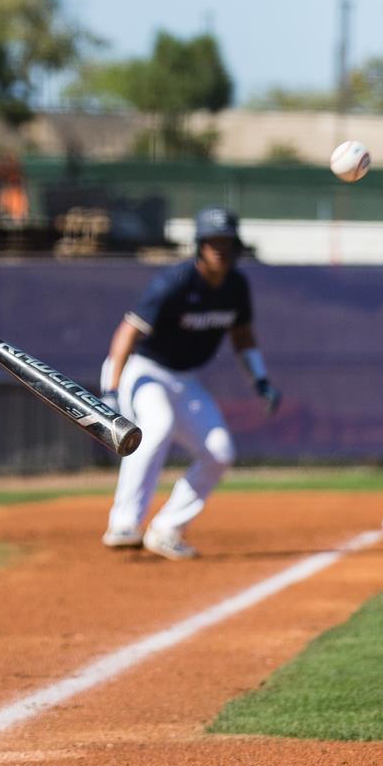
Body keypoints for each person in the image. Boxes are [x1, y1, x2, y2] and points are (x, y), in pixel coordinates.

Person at [99, 206, 280, 560]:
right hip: (147, 370)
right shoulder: (174, 282)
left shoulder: (236, 286)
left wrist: (260, 379)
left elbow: (242, 335)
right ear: (199, 244)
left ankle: (167, 529)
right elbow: (127, 333)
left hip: (185, 379)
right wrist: (111, 391)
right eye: (212, 242)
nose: (220, 250)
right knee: (158, 425)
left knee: (220, 452)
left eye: (226, 242)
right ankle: (123, 523)